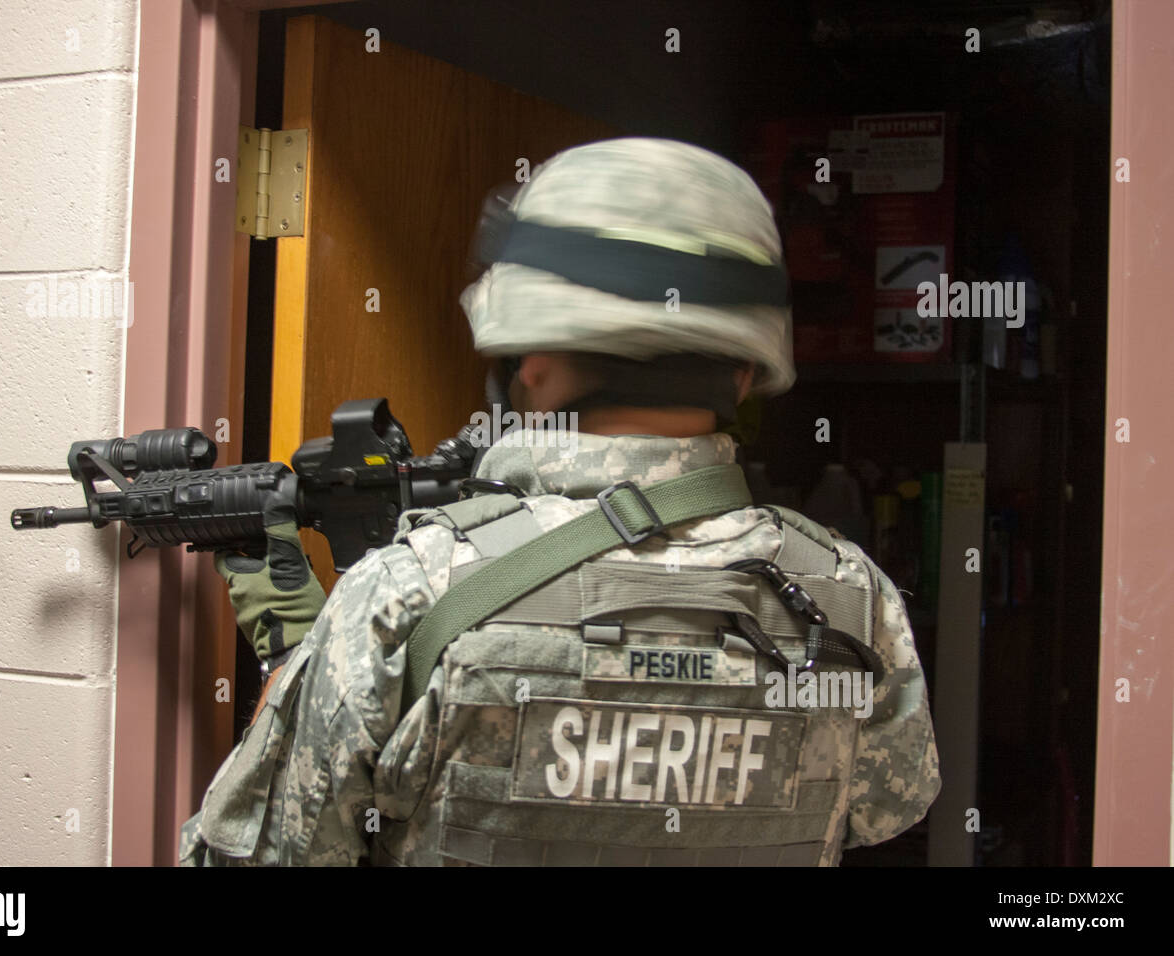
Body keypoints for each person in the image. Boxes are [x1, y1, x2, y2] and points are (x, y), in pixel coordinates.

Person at [180, 137, 940, 866]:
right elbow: (884, 810)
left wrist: (298, 668)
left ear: (533, 361)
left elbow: (266, 854)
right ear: (745, 371)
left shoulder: (409, 596)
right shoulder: (849, 597)